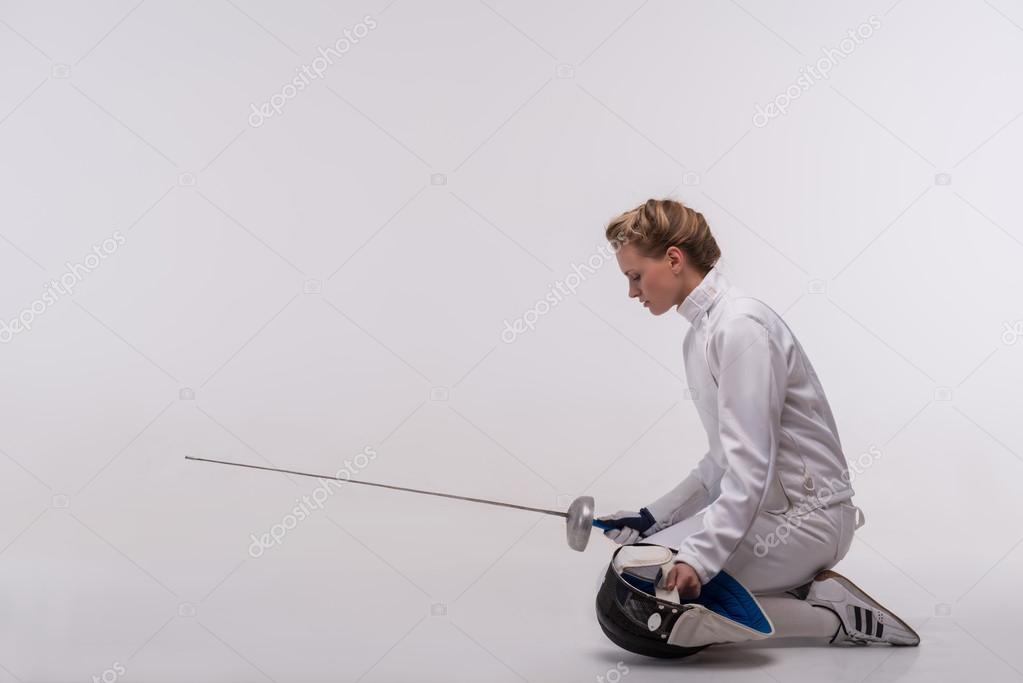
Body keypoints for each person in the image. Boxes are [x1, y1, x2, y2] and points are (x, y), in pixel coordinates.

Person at [597, 198, 919, 646]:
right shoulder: (700, 336)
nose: (633, 292)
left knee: (654, 602)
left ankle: (833, 618)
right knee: (631, 576)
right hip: (764, 514)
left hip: (806, 520)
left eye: (635, 276)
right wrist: (654, 516)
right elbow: (722, 459)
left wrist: (700, 560)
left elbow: (751, 464)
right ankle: (793, 590)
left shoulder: (740, 326)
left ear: (673, 259)